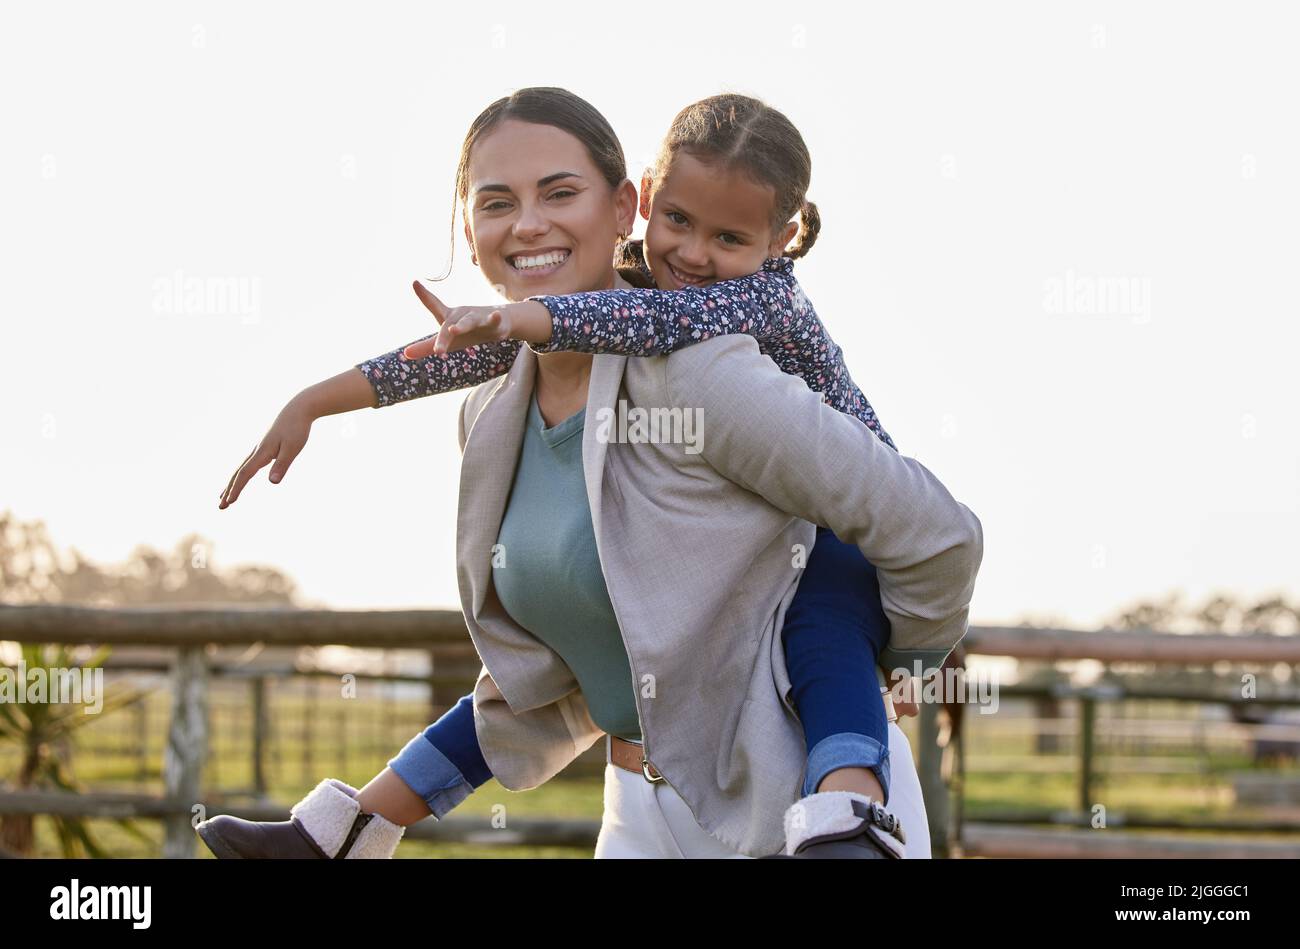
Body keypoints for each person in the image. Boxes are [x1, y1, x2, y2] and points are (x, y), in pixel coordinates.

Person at [200, 88, 981, 859]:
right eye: (497, 200)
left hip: (788, 814)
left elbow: (937, 535)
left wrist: (899, 669)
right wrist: (313, 401)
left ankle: (852, 798)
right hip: (639, 812)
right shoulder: (494, 412)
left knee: (830, 608)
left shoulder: (702, 360)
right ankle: (340, 835)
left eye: (559, 192)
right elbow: (565, 667)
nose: (529, 221)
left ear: (618, 208)